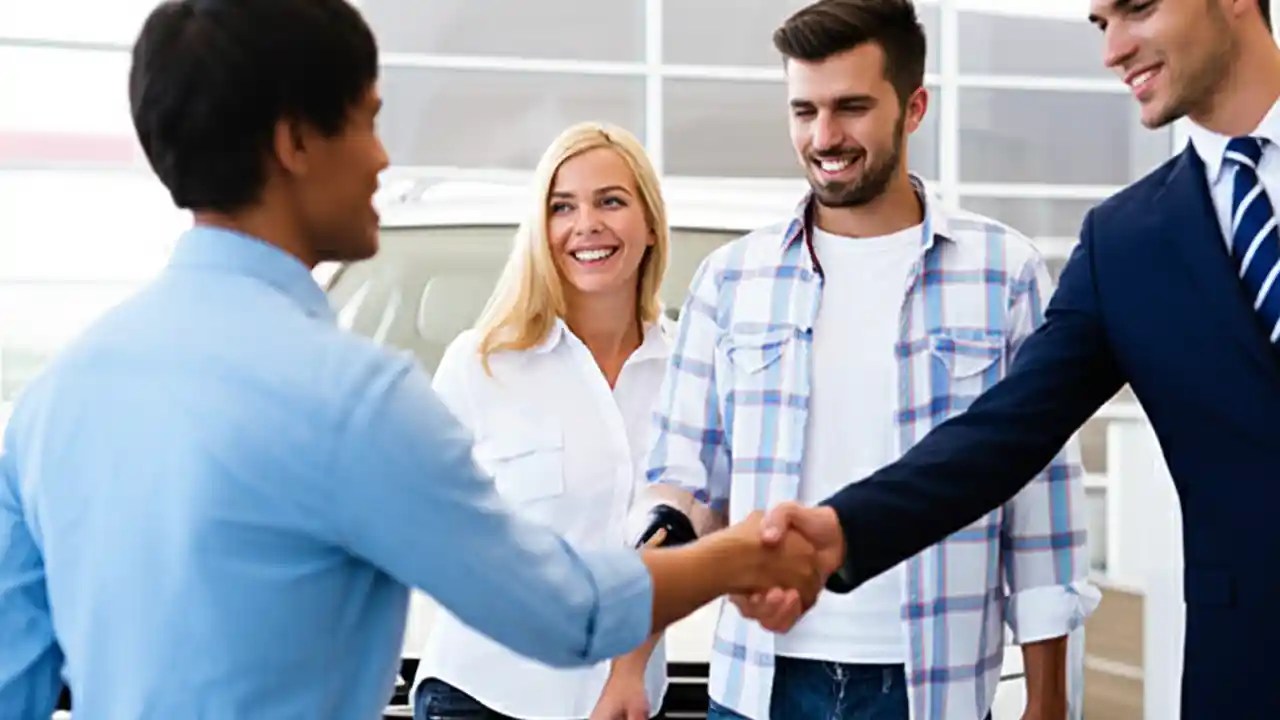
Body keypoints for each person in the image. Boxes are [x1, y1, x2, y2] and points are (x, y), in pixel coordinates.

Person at [0, 2, 827, 718]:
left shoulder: (57, 397)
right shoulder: (354, 401)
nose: (382, 159)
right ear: (294, 142)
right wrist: (744, 553)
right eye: (366, 119)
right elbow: (563, 612)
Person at [739, 0, 1280, 717]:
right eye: (1098, 24)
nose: (1113, 49)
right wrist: (843, 529)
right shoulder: (1126, 244)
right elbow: (1002, 433)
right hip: (1250, 669)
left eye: (1137, 9)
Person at [630, 1, 1098, 718]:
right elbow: (683, 484)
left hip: (929, 686)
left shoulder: (1004, 272)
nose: (824, 137)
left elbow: (1042, 504)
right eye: (804, 110)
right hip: (759, 681)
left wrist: (1048, 700)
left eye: (850, 107)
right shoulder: (731, 279)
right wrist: (630, 662)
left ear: (913, 108)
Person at [409, 121, 673, 720]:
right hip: (483, 695)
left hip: (630, 700)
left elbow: (691, 533)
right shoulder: (482, 365)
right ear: (541, 229)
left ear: (651, 223)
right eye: (562, 207)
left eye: (611, 200)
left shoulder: (689, 373)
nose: (587, 225)